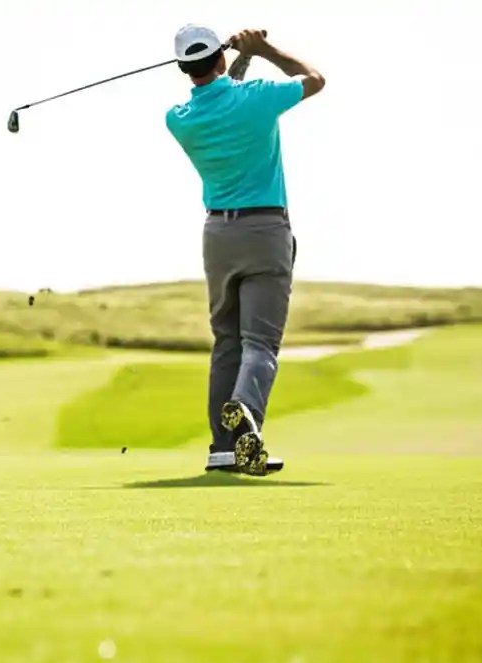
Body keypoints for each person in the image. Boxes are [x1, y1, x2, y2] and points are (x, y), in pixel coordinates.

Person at [164, 25, 326, 475]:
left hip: (218, 237)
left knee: (226, 343)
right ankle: (246, 408)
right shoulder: (255, 98)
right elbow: (314, 79)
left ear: (183, 69)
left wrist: (237, 58)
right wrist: (262, 48)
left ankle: (223, 447)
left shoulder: (179, 118)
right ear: (219, 57)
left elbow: (222, 90)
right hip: (265, 230)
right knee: (260, 343)